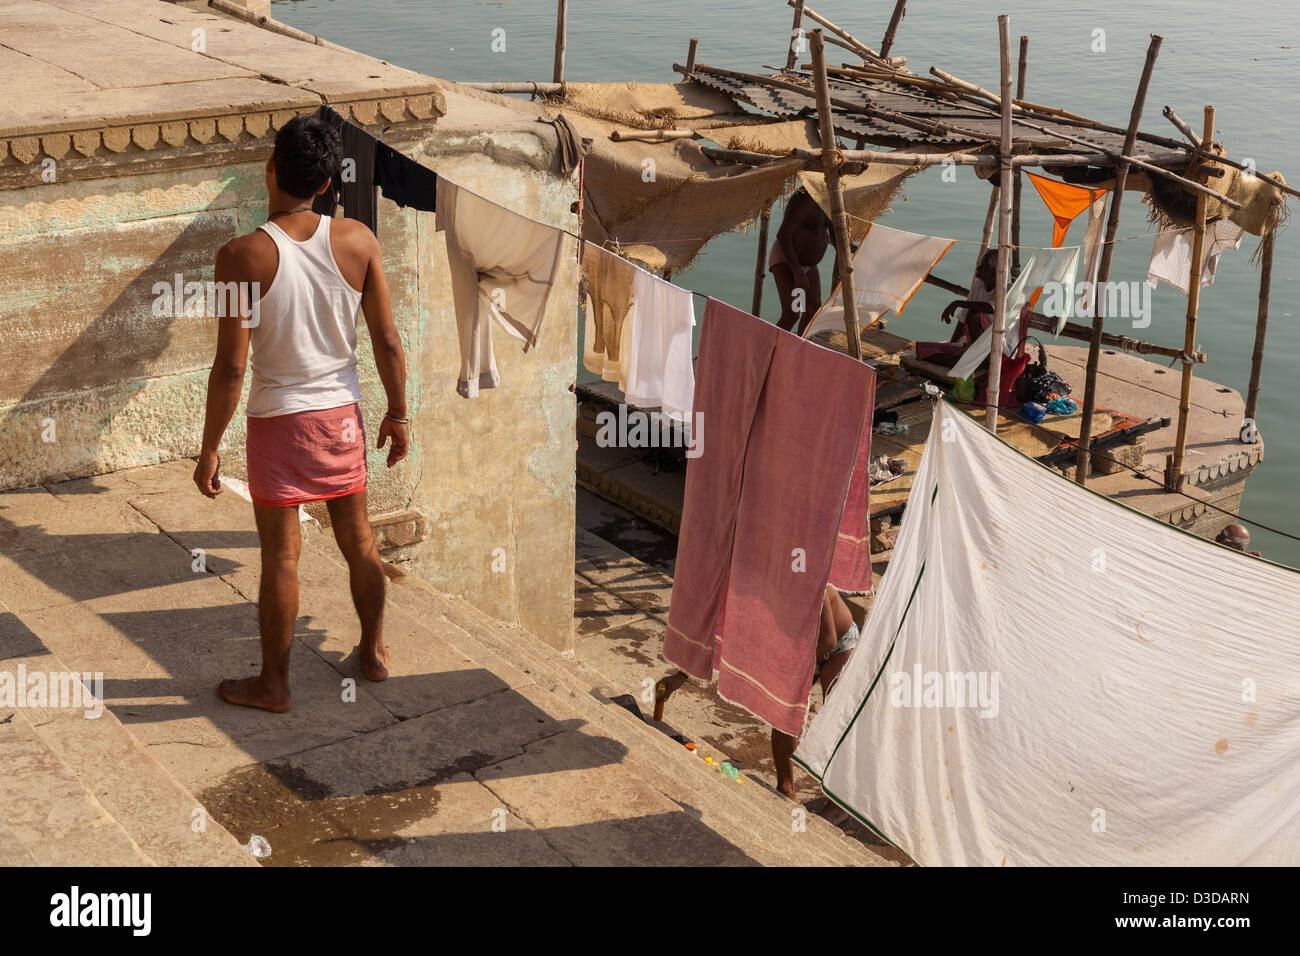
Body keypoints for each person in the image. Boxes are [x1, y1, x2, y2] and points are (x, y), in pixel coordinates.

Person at [193, 113, 410, 713]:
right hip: (340, 416)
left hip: (277, 422)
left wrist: (211, 446)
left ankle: (276, 685)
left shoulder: (240, 256)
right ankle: (372, 653)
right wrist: (399, 413)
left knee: (282, 557)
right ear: (325, 183)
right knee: (360, 541)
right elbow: (388, 341)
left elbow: (231, 369)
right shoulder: (359, 240)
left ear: (271, 170)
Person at [654, 584, 859, 815]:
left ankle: (838, 803)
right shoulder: (756, 585)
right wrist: (679, 676)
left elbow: (829, 640)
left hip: (837, 646)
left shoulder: (812, 581)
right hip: (797, 649)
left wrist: (794, 671)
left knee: (837, 722)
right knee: (782, 715)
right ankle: (786, 788)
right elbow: (720, 633)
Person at [770, 188, 833, 334]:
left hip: (808, 265)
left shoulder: (831, 199)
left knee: (813, 308)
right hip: (788, 261)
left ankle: (798, 347)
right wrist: (797, 271)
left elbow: (834, 232)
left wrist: (851, 250)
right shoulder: (805, 200)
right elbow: (783, 235)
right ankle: (768, 351)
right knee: (792, 313)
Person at [941, 248, 997, 346]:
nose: (978, 268)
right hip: (974, 341)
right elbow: (963, 318)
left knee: (974, 315)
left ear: (994, 272)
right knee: (927, 351)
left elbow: (991, 307)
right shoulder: (979, 285)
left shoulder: (1006, 289)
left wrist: (957, 303)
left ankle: (979, 357)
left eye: (983, 267)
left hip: (995, 346)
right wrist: (951, 344)